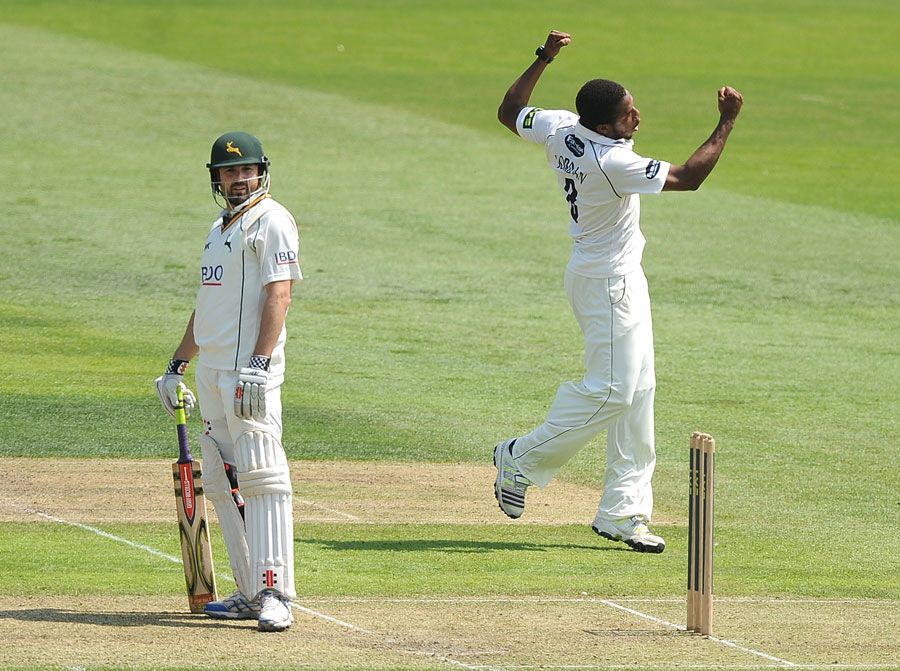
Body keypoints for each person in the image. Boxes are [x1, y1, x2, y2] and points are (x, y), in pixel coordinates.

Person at [492, 30, 743, 553]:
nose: (638, 118)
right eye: (629, 114)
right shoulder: (612, 162)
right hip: (607, 283)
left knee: (639, 394)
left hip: (615, 276)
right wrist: (726, 121)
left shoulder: (562, 127)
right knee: (612, 392)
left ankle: (622, 512)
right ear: (604, 124)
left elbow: (510, 111)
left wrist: (543, 58)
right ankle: (520, 456)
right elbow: (689, 177)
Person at [155, 131, 302, 630]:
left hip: (249, 372)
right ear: (216, 178)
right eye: (229, 172)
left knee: (263, 477)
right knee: (221, 478)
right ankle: (247, 591)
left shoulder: (273, 220)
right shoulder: (218, 228)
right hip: (213, 372)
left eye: (247, 170)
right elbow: (206, 307)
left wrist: (260, 364)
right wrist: (177, 365)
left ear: (262, 171)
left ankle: (277, 592)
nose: (239, 179)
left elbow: (279, 295)